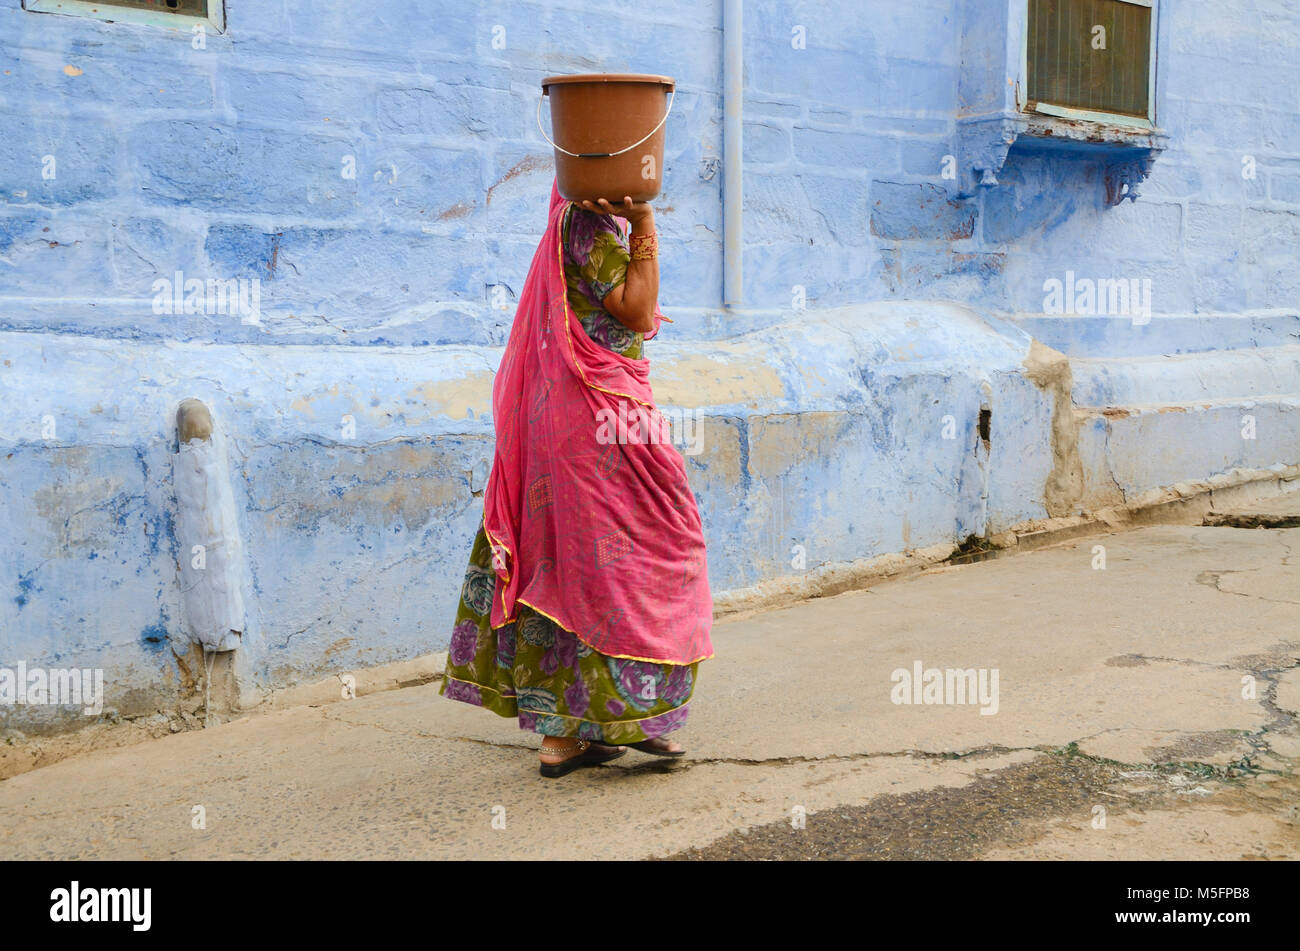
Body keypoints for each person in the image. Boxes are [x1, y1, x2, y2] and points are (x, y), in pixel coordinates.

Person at [439, 180, 714, 778]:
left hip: (566, 415)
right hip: (602, 418)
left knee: (566, 559)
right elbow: (638, 312)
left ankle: (564, 737)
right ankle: (634, 718)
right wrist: (644, 220)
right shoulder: (588, 226)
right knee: (656, 547)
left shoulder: (572, 225)